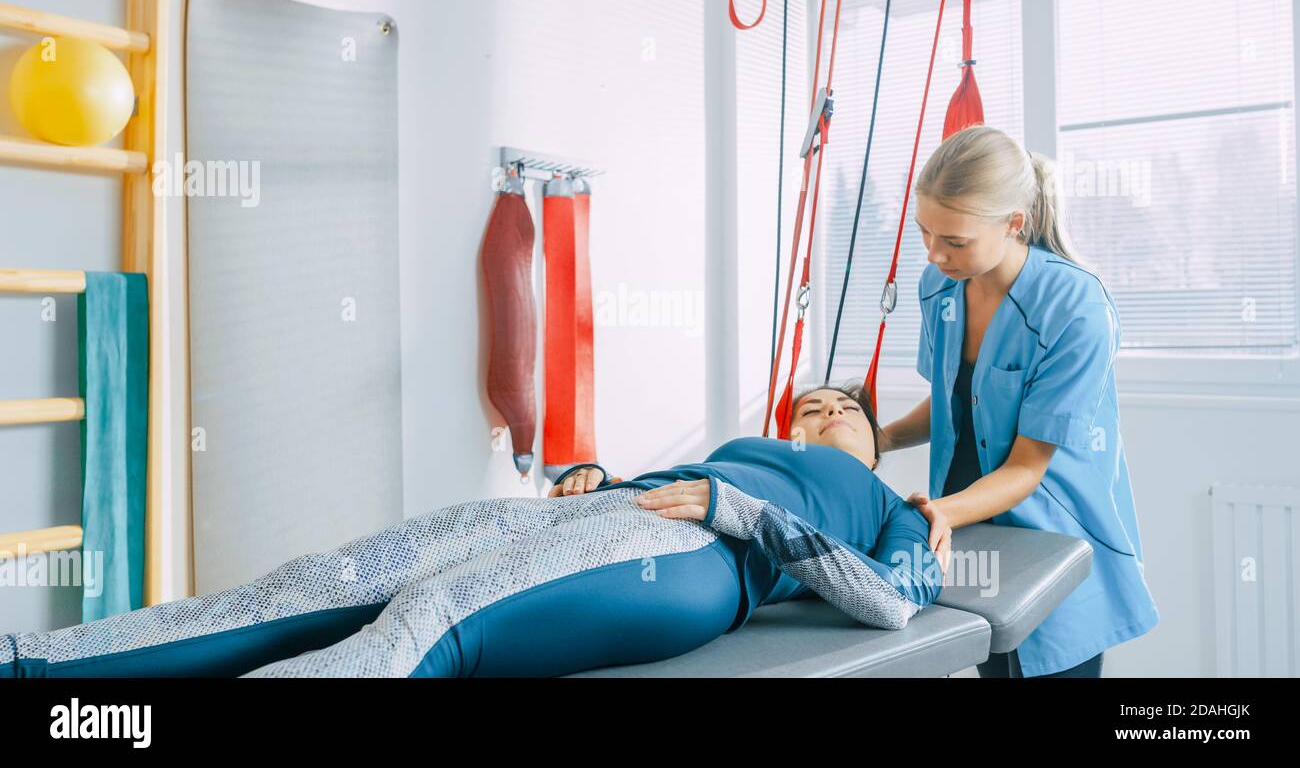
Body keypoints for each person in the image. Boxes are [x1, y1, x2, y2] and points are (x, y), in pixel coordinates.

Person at [2, 383, 945, 678]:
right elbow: (666, 483)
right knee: (312, 583)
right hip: (596, 508)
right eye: (808, 407)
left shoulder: (890, 508)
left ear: (874, 435)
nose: (817, 418)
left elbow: (894, 602)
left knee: (427, 620)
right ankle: (33, 667)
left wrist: (735, 508)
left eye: (838, 413)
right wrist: (603, 476)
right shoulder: (748, 443)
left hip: (692, 555)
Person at [878, 124, 1159, 678]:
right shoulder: (937, 288)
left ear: (1014, 222)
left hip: (1050, 542)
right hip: (970, 538)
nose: (934, 254)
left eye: (954, 241)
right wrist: (876, 437)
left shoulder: (1076, 307)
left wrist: (938, 513)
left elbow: (1029, 466)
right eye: (924, 233)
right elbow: (952, 408)